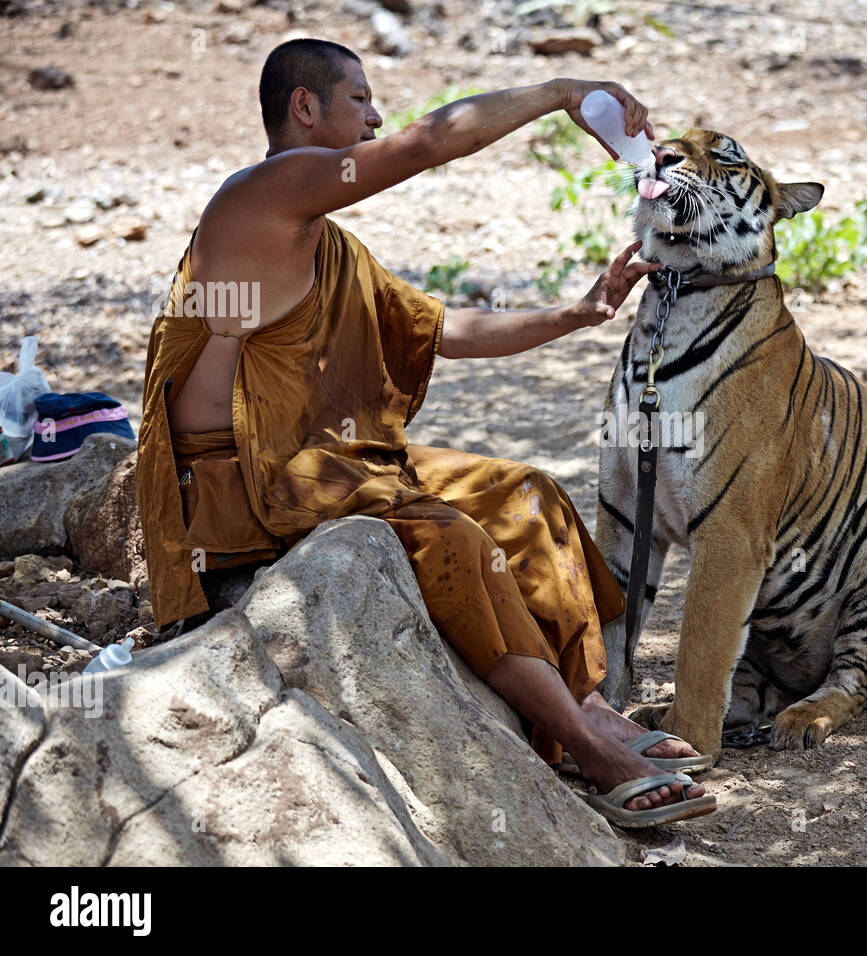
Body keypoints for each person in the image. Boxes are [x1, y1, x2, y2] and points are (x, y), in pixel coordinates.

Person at [136, 38, 712, 826]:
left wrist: (579, 313)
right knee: (452, 536)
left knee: (528, 497)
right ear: (304, 108)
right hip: (248, 483)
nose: (376, 117)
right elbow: (428, 143)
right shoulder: (263, 195)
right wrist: (558, 91)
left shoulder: (322, 238)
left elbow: (444, 328)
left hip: (323, 460)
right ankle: (590, 747)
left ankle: (589, 704)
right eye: (360, 100)